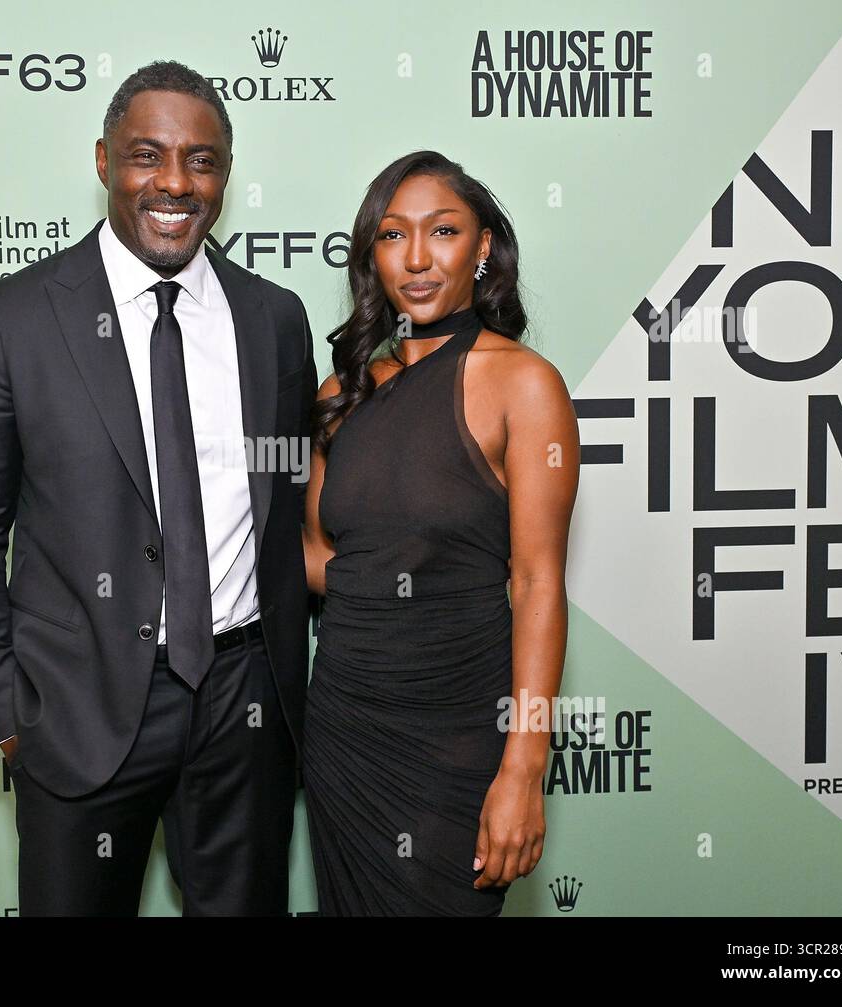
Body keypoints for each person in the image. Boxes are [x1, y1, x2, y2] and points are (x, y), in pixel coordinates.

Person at [0, 60, 318, 916]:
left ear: (225, 174)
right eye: (149, 155)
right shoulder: (11, 319)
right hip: (77, 707)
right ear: (104, 161)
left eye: (202, 160)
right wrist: (7, 710)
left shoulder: (273, 317)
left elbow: (288, 507)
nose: (175, 182)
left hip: (242, 704)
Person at [301, 150, 579, 916]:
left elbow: (538, 583)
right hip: (346, 729)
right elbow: (324, 560)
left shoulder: (524, 383)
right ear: (371, 255)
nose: (417, 259)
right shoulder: (342, 392)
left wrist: (524, 763)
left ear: (483, 245)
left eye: (443, 231)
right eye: (392, 236)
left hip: (459, 736)